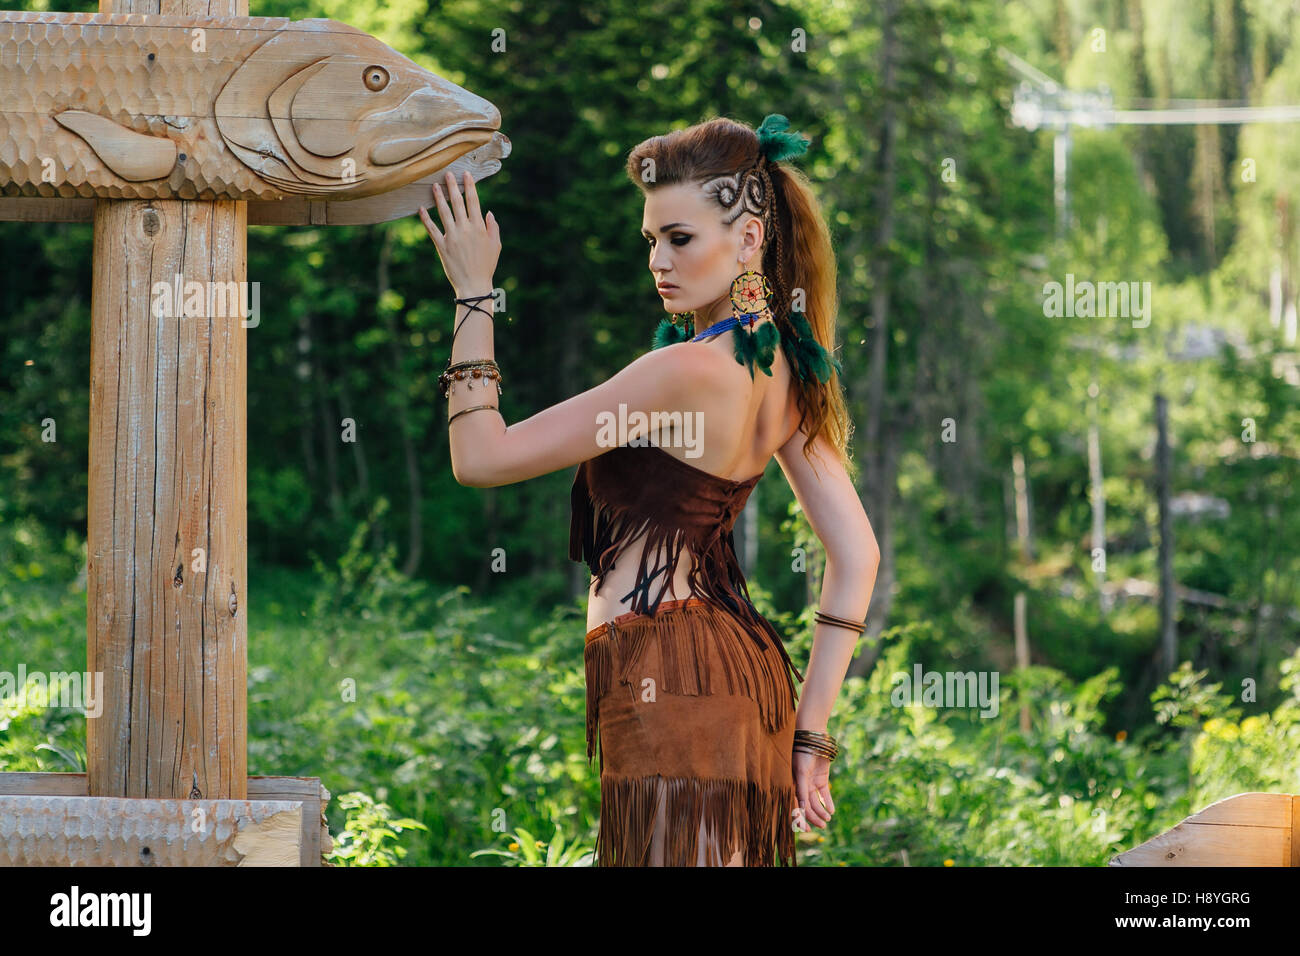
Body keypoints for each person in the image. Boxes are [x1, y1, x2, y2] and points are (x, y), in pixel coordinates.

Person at [419, 114, 880, 866]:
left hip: (670, 673)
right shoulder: (787, 373)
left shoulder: (682, 372)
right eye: (651, 239)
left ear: (749, 240)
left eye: (680, 238)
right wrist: (811, 734)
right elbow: (858, 556)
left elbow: (480, 455)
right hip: (742, 681)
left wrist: (474, 292)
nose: (658, 261)